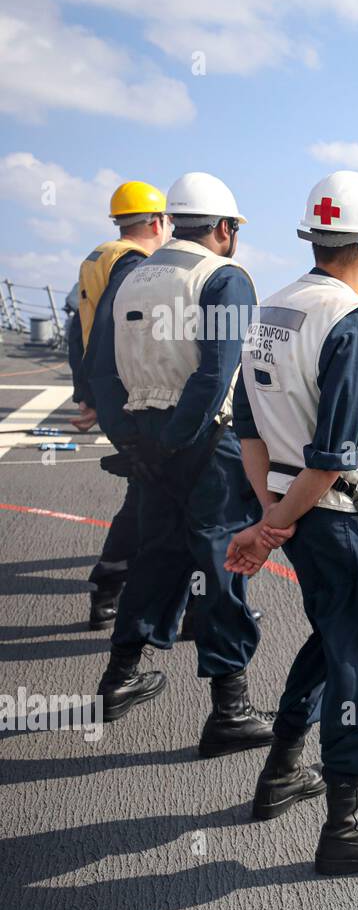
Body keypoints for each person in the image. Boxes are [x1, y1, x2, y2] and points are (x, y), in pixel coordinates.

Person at [226, 170, 358, 875]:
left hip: (301, 518)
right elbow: (334, 455)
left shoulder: (270, 313)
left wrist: (268, 518)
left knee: (332, 634)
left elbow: (249, 427)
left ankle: (283, 770)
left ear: (315, 239)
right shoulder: (357, 326)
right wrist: (272, 526)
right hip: (349, 522)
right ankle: (347, 827)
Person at [88, 172, 274, 758]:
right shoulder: (225, 279)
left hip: (144, 440)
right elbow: (216, 374)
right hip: (205, 444)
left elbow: (99, 368)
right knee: (222, 565)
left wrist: (135, 443)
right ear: (224, 228)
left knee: (157, 554)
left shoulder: (128, 276)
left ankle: (120, 678)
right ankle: (231, 710)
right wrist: (174, 440)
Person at [67, 181, 170, 629]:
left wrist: (87, 391)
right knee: (153, 492)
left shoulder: (98, 257)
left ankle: (121, 589)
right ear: (156, 221)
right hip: (132, 393)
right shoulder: (135, 266)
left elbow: (79, 329)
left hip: (109, 389)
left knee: (152, 492)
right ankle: (114, 589)